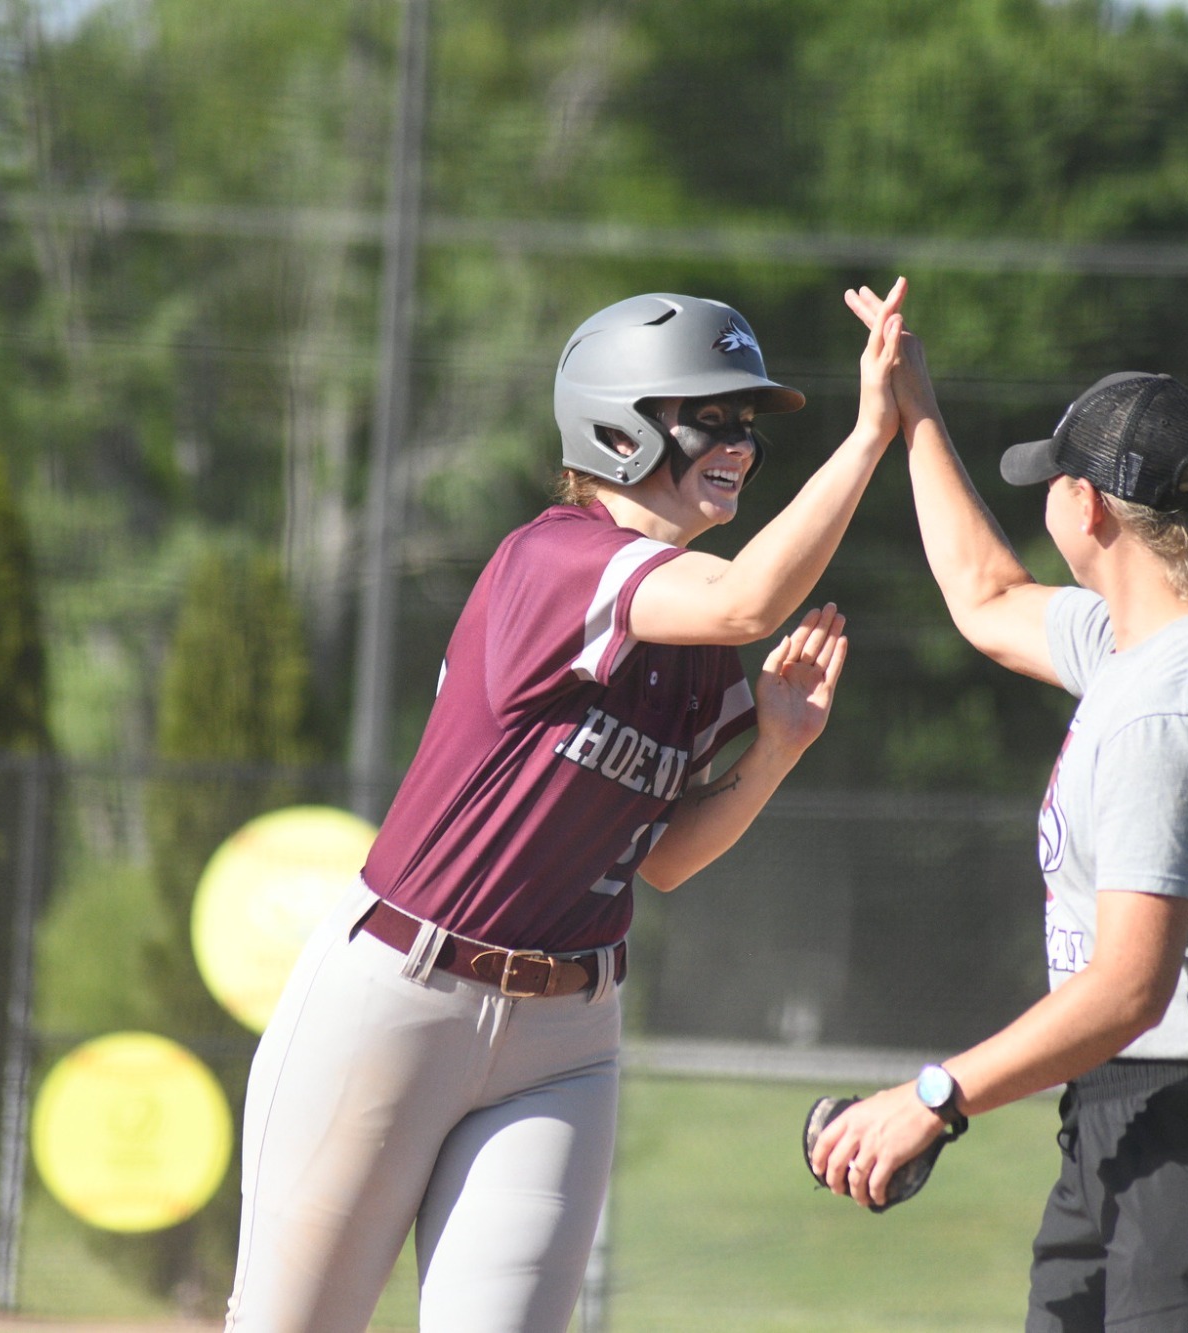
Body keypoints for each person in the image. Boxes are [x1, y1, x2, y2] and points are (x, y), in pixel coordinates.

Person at [225, 282, 908, 1333]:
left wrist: (773, 751)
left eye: (743, 423)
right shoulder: (553, 560)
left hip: (565, 1040)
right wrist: (870, 436)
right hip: (398, 1000)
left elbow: (666, 861)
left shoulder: (690, 647)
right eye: (709, 416)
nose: (736, 442)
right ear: (619, 425)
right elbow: (748, 599)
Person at [812, 287, 1188, 1332]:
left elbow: (1127, 991)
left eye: (1048, 478)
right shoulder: (1131, 644)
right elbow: (983, 598)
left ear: (1088, 507)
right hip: (1132, 1123)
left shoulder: (1170, 708)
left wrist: (931, 1097)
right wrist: (910, 408)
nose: (1041, 499)